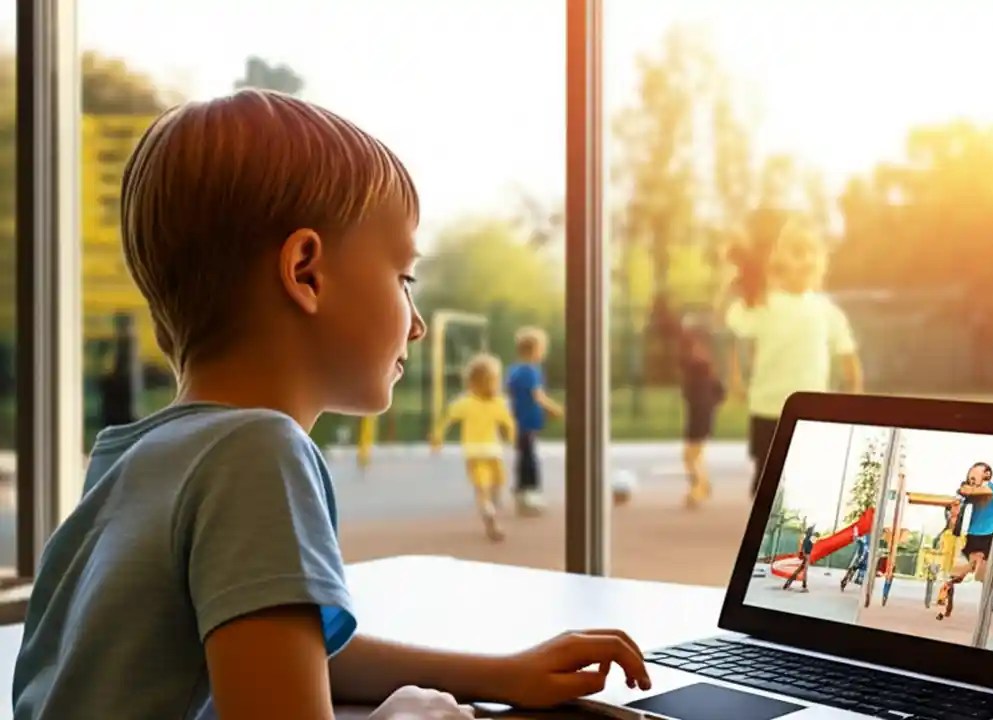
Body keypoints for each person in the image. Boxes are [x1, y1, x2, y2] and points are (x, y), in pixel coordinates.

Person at [11, 89, 649, 720]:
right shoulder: (257, 454)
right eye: (404, 278)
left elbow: (272, 651)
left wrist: (502, 674)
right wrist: (413, 717)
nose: (419, 324)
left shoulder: (139, 459)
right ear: (306, 272)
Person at [722, 215, 863, 497]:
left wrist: (854, 392)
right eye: (797, 253)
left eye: (812, 253)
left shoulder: (826, 310)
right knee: (766, 478)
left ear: (821, 263)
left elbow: (847, 354)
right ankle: (764, 530)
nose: (805, 260)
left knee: (806, 475)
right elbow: (737, 337)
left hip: (811, 410)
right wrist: (735, 379)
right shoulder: (764, 304)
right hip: (767, 407)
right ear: (779, 262)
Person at [431, 354, 515, 542]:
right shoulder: (499, 402)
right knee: (497, 483)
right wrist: (511, 437)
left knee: (481, 490)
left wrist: (437, 437)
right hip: (493, 451)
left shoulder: (465, 402)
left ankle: (488, 510)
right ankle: (493, 502)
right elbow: (508, 424)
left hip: (474, 452)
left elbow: (447, 419)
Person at [507, 326, 562, 516]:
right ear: (534, 350)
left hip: (518, 420)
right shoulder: (530, 371)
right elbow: (537, 396)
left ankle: (521, 490)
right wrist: (554, 409)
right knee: (529, 457)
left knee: (523, 455)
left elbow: (512, 394)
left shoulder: (514, 370)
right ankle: (530, 491)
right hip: (527, 421)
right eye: (542, 349)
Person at [937, 462, 993, 613]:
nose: (971, 478)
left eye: (975, 474)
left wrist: (965, 489)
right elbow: (961, 496)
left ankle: (991, 597)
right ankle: (949, 592)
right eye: (970, 475)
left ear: (987, 474)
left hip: (988, 534)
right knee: (963, 570)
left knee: (982, 571)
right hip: (974, 534)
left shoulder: (990, 488)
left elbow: (972, 491)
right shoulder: (974, 491)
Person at [678, 321, 725, 508]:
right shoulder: (705, 370)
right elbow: (720, 392)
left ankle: (700, 487)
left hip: (698, 417)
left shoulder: (696, 368)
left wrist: (705, 406)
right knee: (694, 455)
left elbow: (695, 394)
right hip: (701, 416)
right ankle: (702, 485)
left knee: (690, 455)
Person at [783, 525, 818, 593]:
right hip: (806, 556)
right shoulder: (810, 538)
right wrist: (805, 555)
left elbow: (804, 546)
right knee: (804, 571)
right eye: (812, 531)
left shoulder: (807, 538)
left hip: (805, 555)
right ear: (810, 532)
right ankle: (804, 586)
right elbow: (806, 546)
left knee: (799, 570)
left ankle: (788, 582)